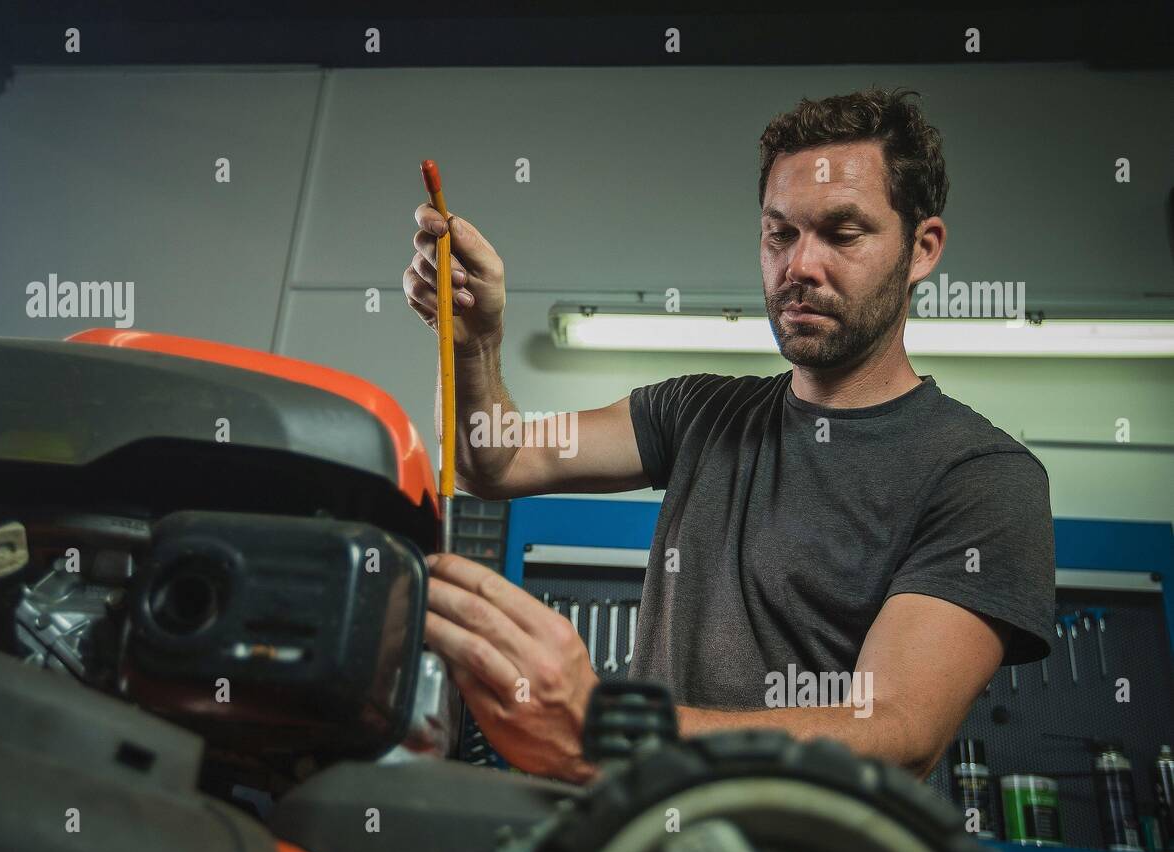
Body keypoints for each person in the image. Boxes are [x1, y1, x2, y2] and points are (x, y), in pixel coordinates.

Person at [402, 88, 1054, 783]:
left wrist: (609, 731)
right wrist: (474, 341)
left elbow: (895, 729)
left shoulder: (981, 475)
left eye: (842, 233)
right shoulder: (697, 413)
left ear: (922, 248)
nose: (799, 266)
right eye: (781, 234)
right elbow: (493, 460)